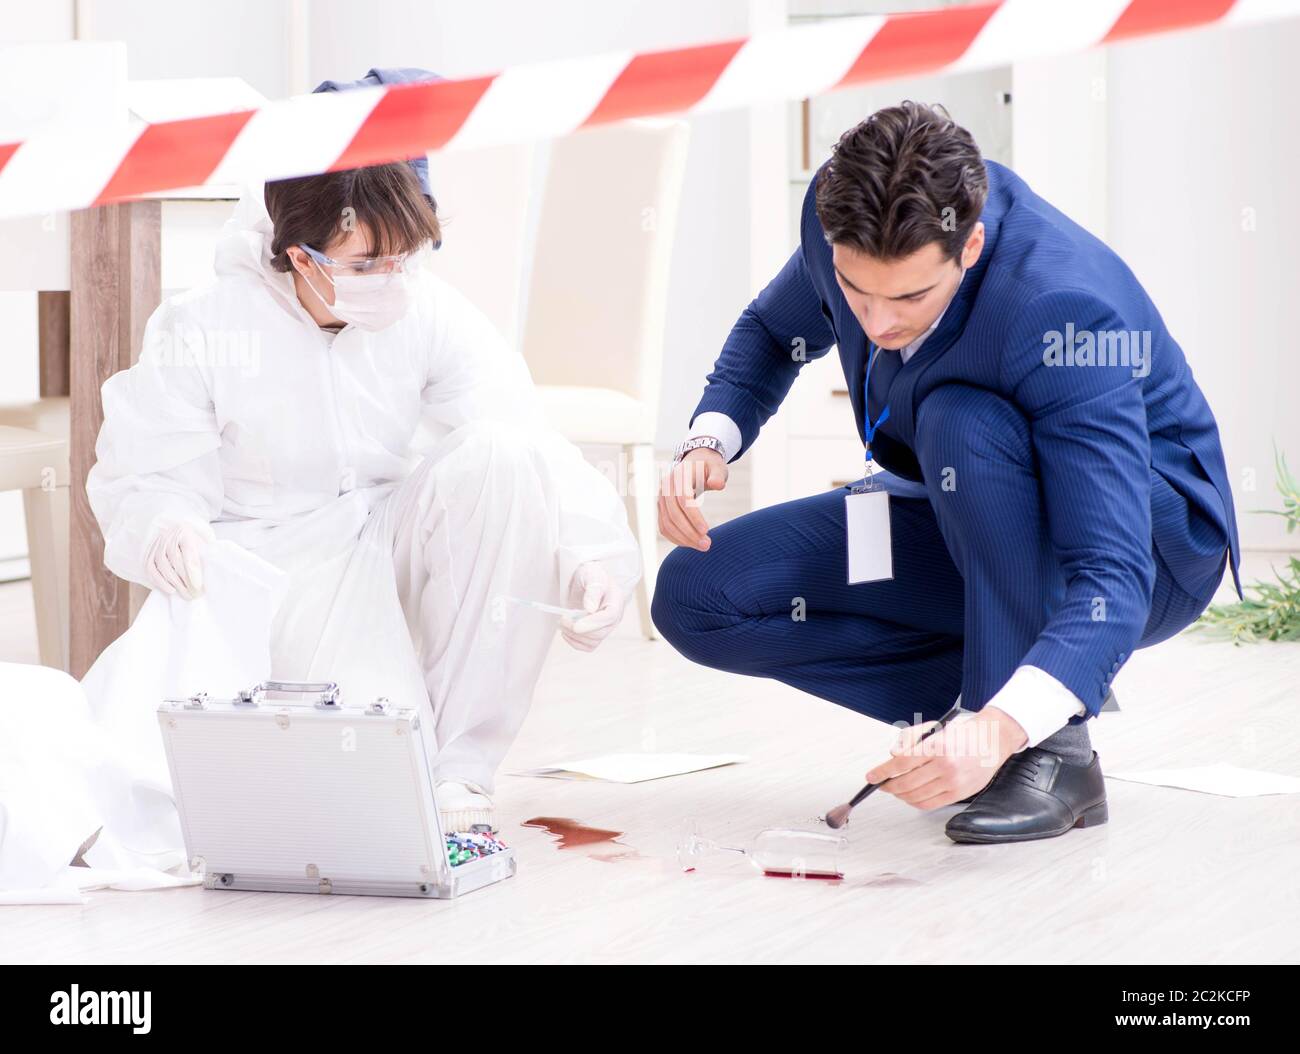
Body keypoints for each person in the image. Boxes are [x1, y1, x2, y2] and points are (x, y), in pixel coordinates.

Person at [652, 101, 1241, 844]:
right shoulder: (837, 217)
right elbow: (776, 330)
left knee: (964, 420)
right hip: (956, 504)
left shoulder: (1064, 312)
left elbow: (1111, 573)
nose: (876, 325)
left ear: (971, 247)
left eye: (908, 298)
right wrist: (708, 441)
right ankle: (1001, 696)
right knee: (697, 595)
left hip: (1146, 553)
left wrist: (1005, 727)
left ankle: (1047, 747)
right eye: (856, 292)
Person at [85, 159, 639, 833]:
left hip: (382, 532)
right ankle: (394, 755)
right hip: (276, 564)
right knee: (367, 785)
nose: (391, 280)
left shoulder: (424, 307)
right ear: (301, 258)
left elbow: (522, 429)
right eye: (367, 262)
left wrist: (585, 552)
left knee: (501, 456)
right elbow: (147, 473)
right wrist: (165, 525)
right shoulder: (205, 326)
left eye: (402, 258)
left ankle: (462, 769)